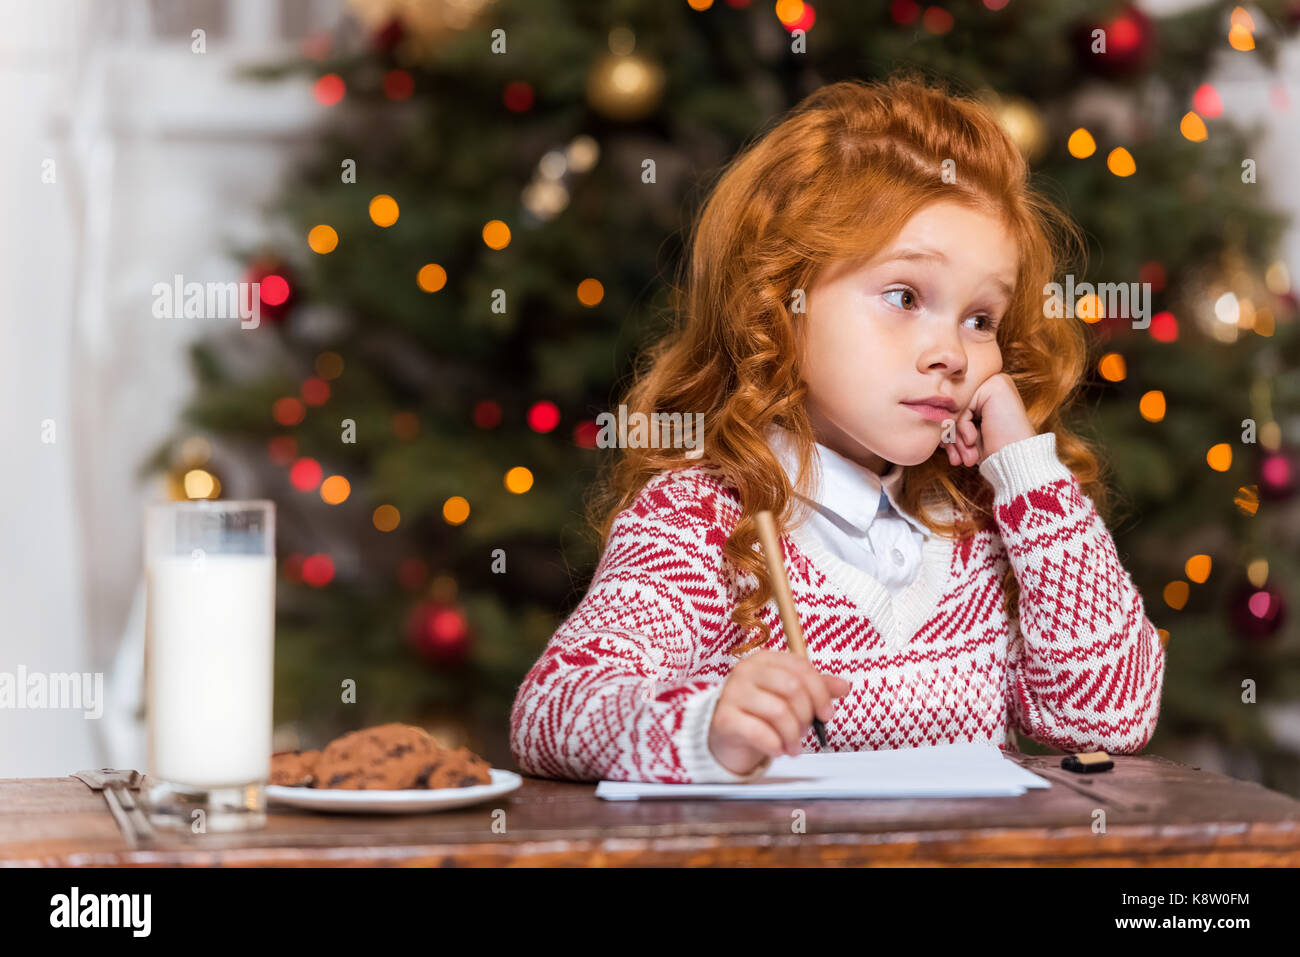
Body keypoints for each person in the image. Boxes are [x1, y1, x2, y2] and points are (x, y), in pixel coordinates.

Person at [509, 73, 1166, 783]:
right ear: (779, 302)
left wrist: (1026, 471)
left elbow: (1107, 718)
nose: (951, 352)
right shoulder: (700, 522)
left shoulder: (990, 524)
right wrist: (705, 724)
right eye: (904, 295)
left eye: (981, 319)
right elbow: (553, 708)